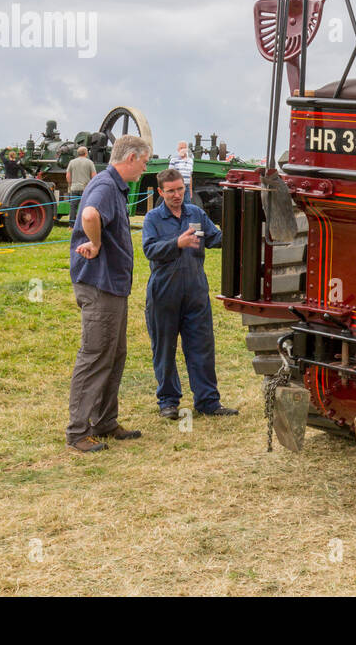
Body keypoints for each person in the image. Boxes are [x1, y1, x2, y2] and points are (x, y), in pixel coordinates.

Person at [65, 135, 151, 453]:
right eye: (143, 162)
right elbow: (89, 216)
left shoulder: (113, 186)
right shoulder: (104, 186)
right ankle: (77, 432)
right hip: (100, 286)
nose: (144, 168)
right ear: (130, 158)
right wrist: (97, 244)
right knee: (96, 355)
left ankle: (104, 421)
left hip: (112, 286)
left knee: (114, 354)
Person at [142, 168, 237, 419]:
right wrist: (176, 244)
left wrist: (241, 233)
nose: (177, 195)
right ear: (161, 192)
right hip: (164, 293)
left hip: (196, 292)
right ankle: (169, 402)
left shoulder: (196, 213)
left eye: (180, 189)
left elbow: (216, 238)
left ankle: (208, 401)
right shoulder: (153, 219)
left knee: (201, 347)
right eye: (171, 191)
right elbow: (150, 250)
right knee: (164, 348)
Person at [66, 146, 96, 224]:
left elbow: (68, 176)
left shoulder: (72, 162)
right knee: (85, 207)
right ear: (86, 153)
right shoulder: (89, 162)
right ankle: (83, 224)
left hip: (74, 188)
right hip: (86, 188)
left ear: (78, 153)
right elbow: (94, 176)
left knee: (73, 207)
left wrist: (70, 185)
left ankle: (71, 225)